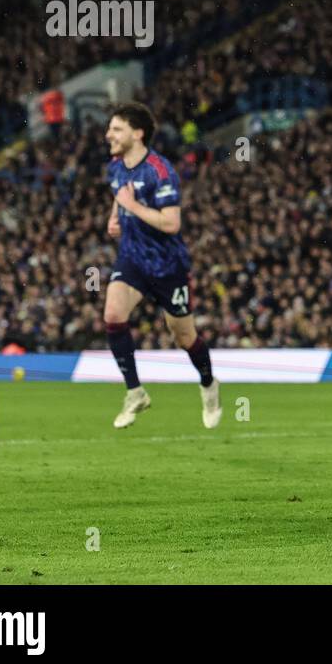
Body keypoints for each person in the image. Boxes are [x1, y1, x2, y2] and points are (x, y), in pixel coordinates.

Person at [103, 102, 220, 429]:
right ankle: (135, 392)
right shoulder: (115, 166)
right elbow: (119, 193)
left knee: (184, 336)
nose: (108, 134)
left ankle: (209, 383)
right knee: (113, 315)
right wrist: (115, 216)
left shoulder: (160, 170)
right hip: (132, 259)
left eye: (116, 129)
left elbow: (171, 223)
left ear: (137, 133)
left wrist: (131, 207)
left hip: (168, 266)